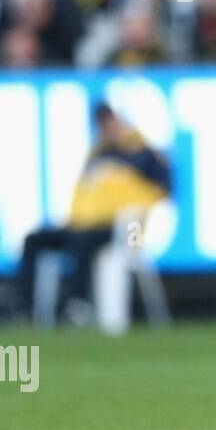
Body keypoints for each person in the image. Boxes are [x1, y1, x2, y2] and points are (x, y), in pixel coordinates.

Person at [15, 102, 171, 322]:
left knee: (83, 241)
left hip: (120, 228)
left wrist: (133, 229)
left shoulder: (144, 154)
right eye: (102, 123)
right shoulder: (98, 155)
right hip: (82, 223)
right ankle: (25, 308)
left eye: (110, 121)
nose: (107, 128)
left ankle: (77, 305)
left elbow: (160, 192)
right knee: (34, 239)